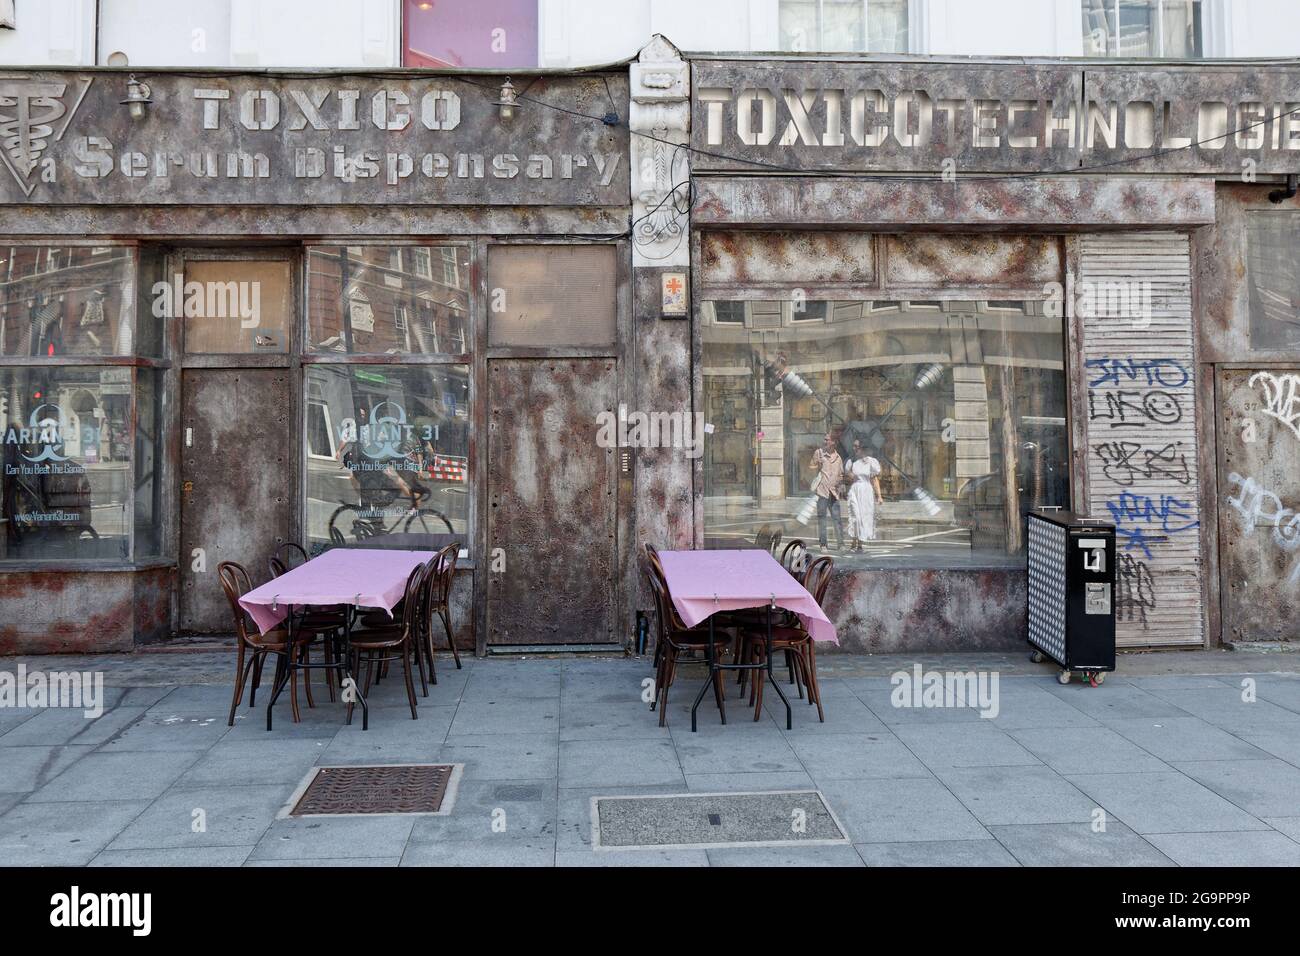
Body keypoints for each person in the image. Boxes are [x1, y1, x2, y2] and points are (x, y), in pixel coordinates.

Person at [844, 438, 884, 552]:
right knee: (855, 516)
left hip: (866, 491)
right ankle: (853, 541)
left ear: (863, 448)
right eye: (854, 446)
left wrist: (879, 496)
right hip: (855, 490)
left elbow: (875, 480)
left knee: (863, 517)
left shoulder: (871, 462)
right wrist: (850, 476)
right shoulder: (851, 461)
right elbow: (848, 476)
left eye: (857, 446)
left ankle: (860, 543)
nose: (855, 448)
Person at [809, 432, 845, 552]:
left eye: (827, 440)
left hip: (834, 493)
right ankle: (823, 544)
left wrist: (840, 484)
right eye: (824, 439)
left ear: (834, 442)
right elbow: (810, 467)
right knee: (822, 519)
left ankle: (841, 544)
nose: (825, 442)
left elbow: (840, 475)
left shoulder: (838, 458)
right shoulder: (819, 453)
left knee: (837, 519)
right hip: (822, 492)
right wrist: (817, 467)